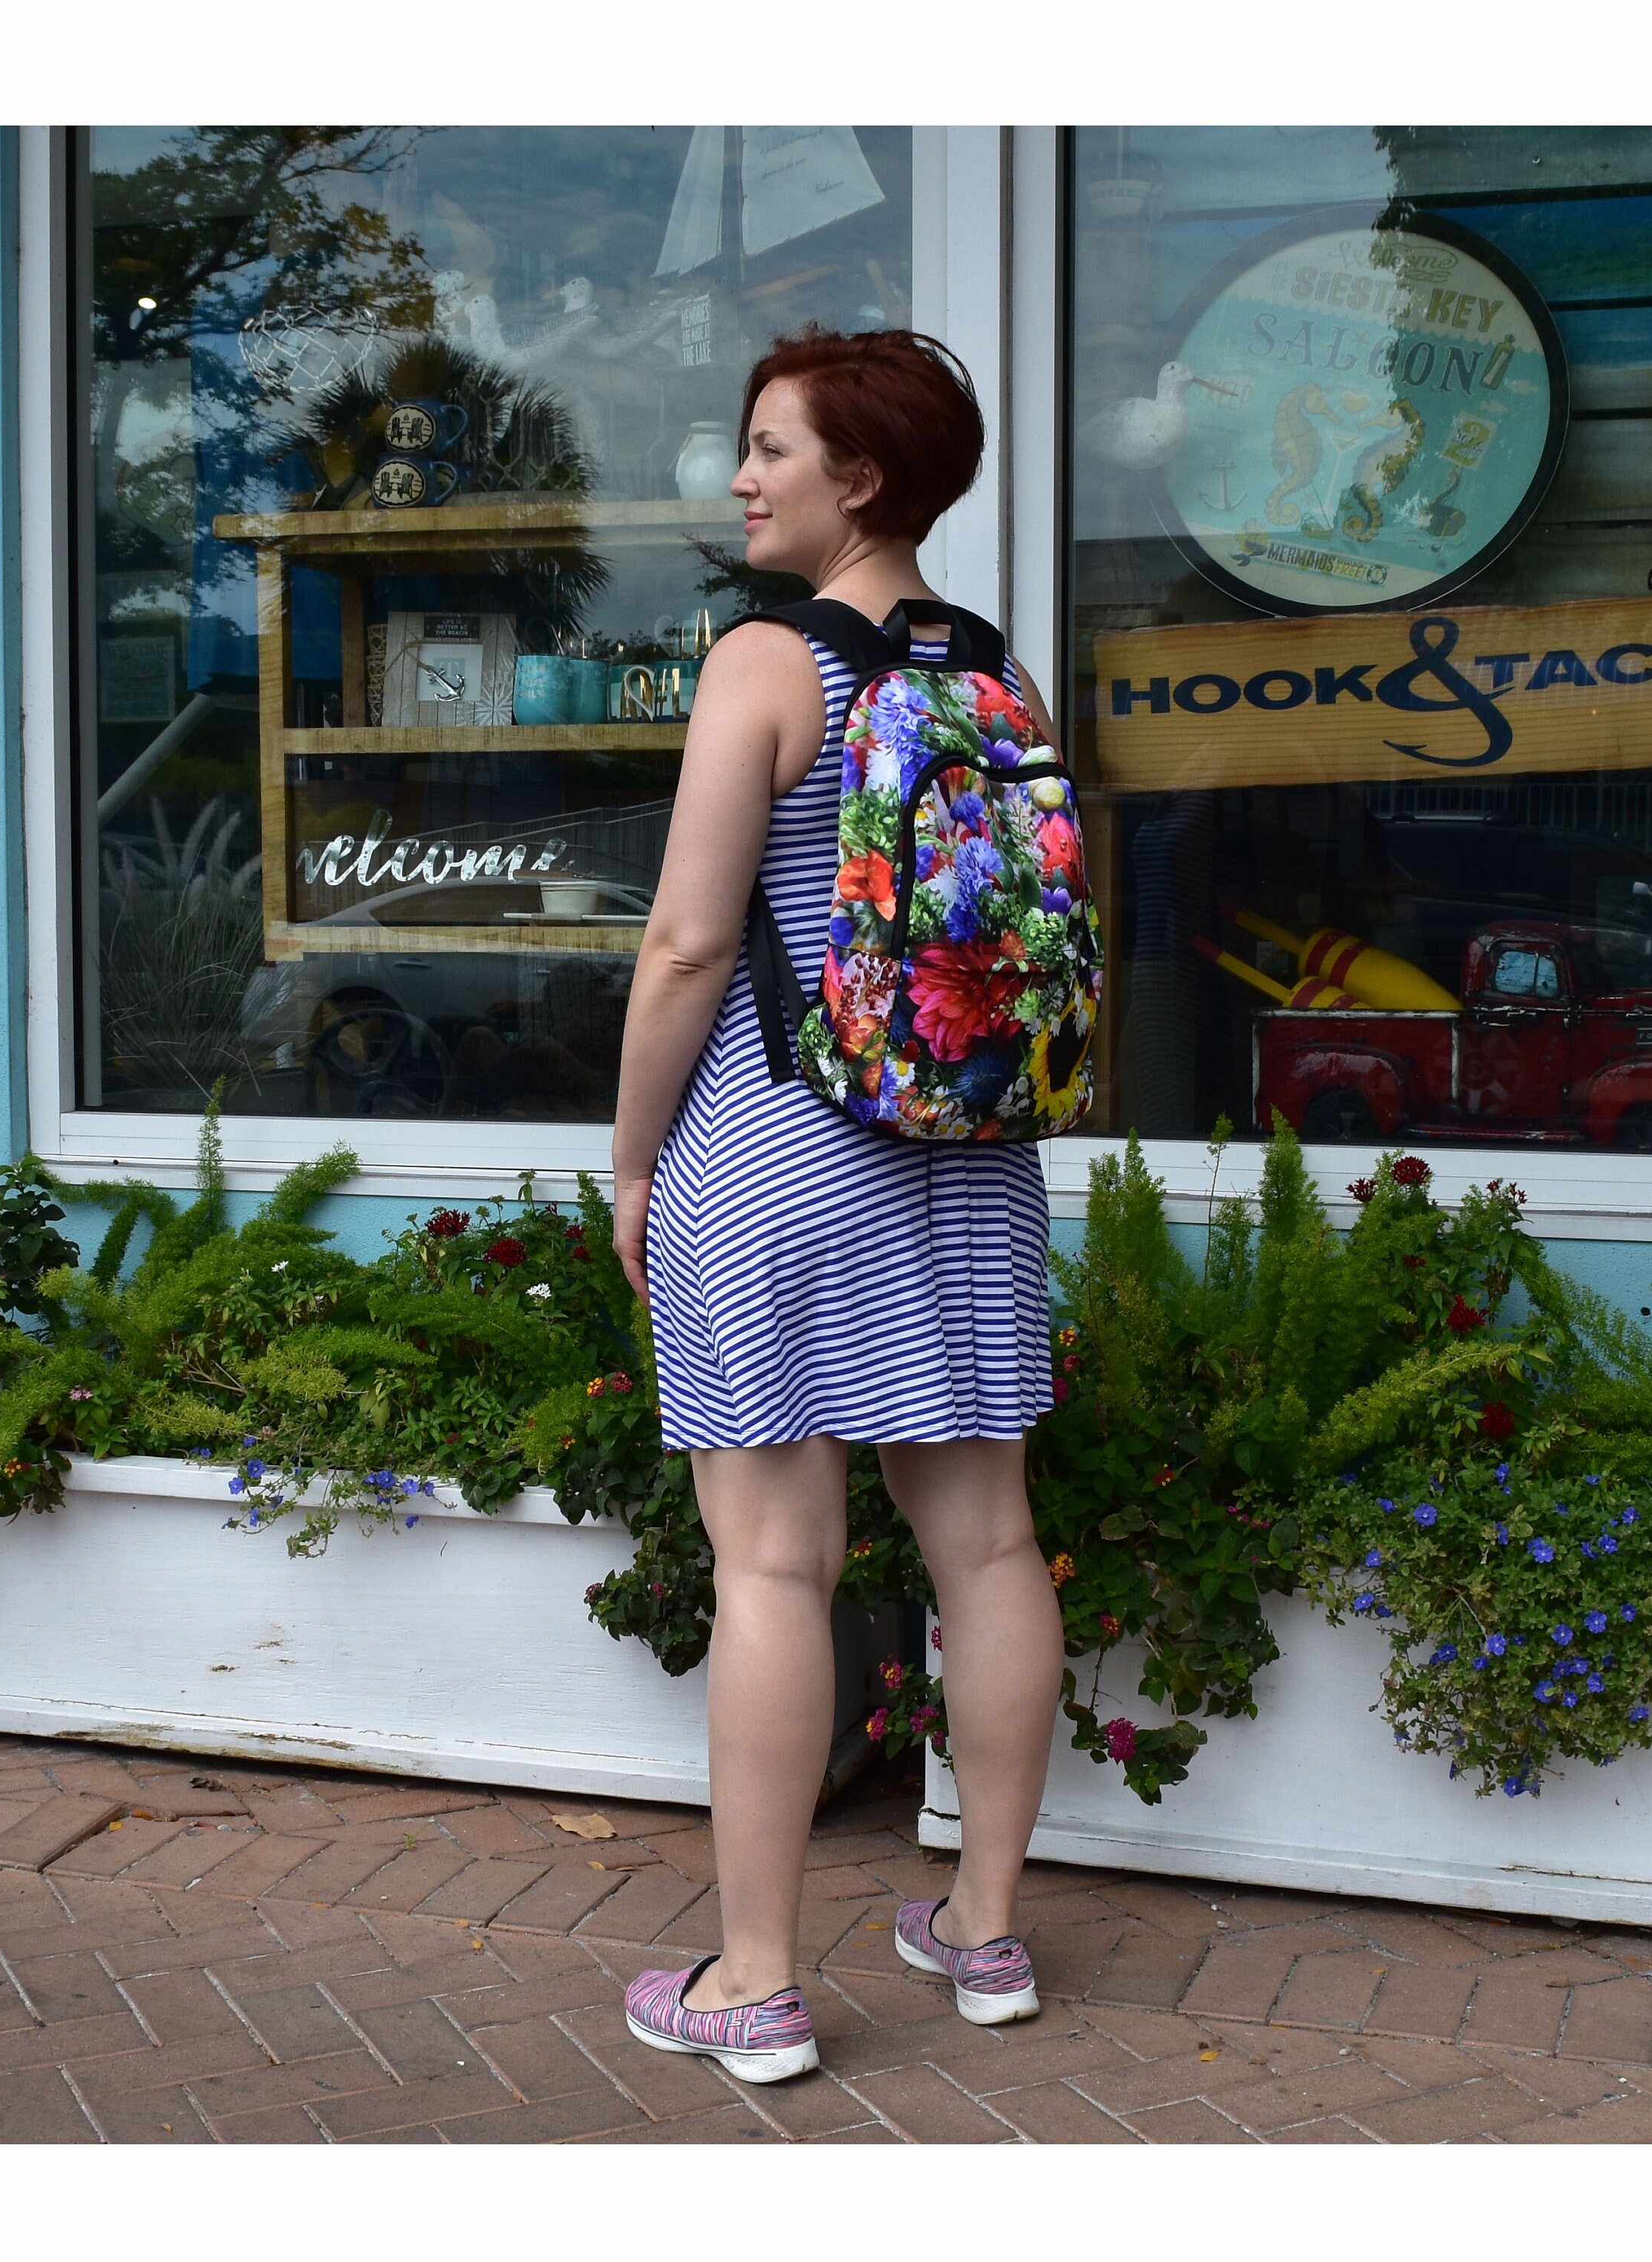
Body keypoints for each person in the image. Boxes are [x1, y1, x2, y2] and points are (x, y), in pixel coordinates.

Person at [609, 327, 1068, 2083]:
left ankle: (752, 1982)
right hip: (970, 1157)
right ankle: (984, 1929)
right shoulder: (995, 673)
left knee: (774, 1563)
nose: (741, 478)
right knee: (990, 1545)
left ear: (858, 478)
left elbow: (687, 944)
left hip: (781, 1145)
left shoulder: (764, 663)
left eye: (771, 448)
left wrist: (637, 1158)